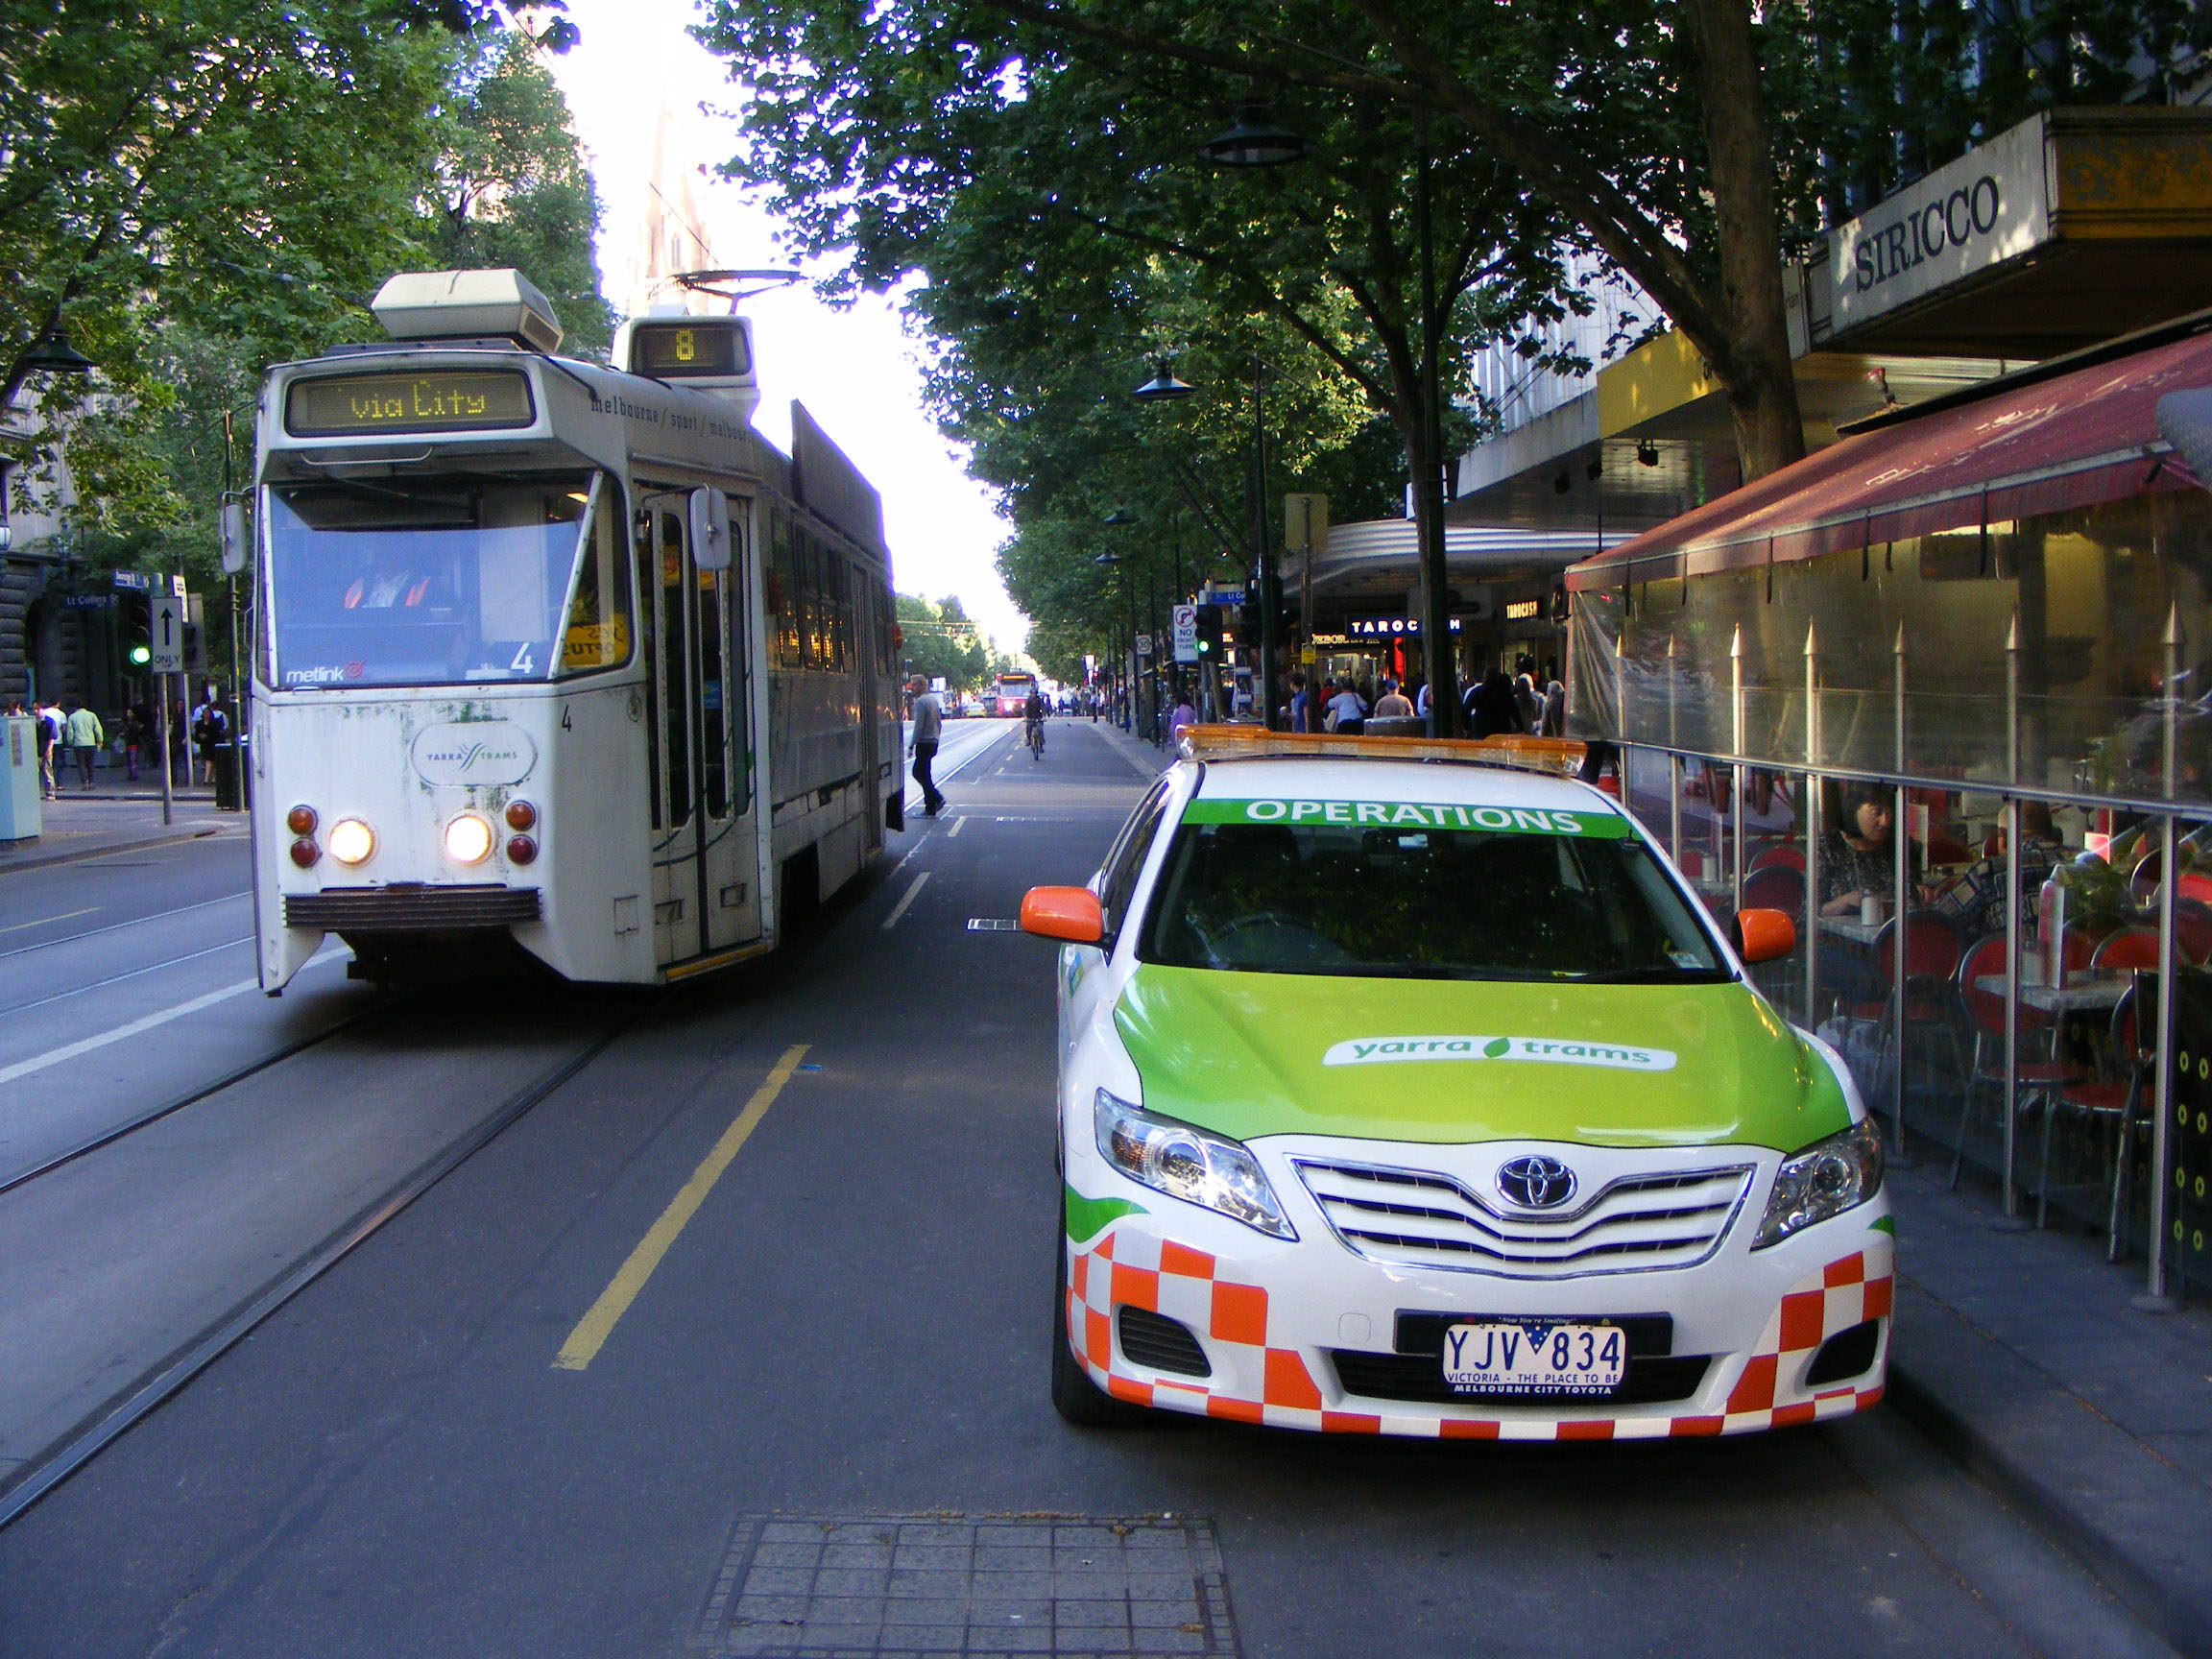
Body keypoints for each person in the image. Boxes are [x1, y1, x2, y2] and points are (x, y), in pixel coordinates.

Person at [1930, 801, 2062, 939]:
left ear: (2004, 838)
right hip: (2065, 952)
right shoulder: (2074, 866)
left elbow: (1935, 922)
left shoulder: (1989, 872)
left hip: (2009, 953)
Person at [1819, 786, 1923, 917]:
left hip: (1893, 927)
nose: (1885, 822)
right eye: (1876, 813)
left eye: (1889, 813)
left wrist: (1920, 893)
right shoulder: (1828, 846)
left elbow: (1913, 892)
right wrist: (1844, 902)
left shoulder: (1899, 844)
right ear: (1854, 811)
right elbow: (1807, 912)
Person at [906, 675, 946, 817]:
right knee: (925, 773)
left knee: (917, 772)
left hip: (924, 742)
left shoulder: (920, 702)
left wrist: (911, 746)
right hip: (933, 741)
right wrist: (936, 737)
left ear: (922, 685)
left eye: (914, 685)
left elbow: (919, 726)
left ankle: (937, 797)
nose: (912, 688)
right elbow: (939, 723)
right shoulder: (933, 700)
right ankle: (930, 808)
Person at [62, 699, 104, 789]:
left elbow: (70, 732)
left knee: (81, 764)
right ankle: (91, 782)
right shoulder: (92, 715)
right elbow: (98, 729)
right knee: (91, 763)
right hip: (90, 742)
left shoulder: (72, 717)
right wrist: (100, 740)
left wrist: (70, 742)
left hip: (78, 743)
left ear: (75, 707)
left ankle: (85, 782)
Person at [33, 699, 60, 799]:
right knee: (33, 774)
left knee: (47, 772)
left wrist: (49, 749)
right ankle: (34, 793)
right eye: (34, 709)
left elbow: (52, 737)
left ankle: (50, 793)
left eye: (37, 709)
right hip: (34, 751)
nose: (35, 711)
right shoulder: (31, 721)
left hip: (45, 750)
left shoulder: (49, 721)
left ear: (43, 709)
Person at [1023, 685, 1046, 757]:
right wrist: (1025, 717)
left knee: (1040, 730)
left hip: (1038, 717)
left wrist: (1043, 716)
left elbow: (1043, 708)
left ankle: (1041, 745)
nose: (1033, 695)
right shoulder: (1028, 700)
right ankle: (1028, 739)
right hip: (1030, 717)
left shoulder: (1039, 700)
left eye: (1034, 693)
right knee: (1028, 727)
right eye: (1032, 693)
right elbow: (1025, 709)